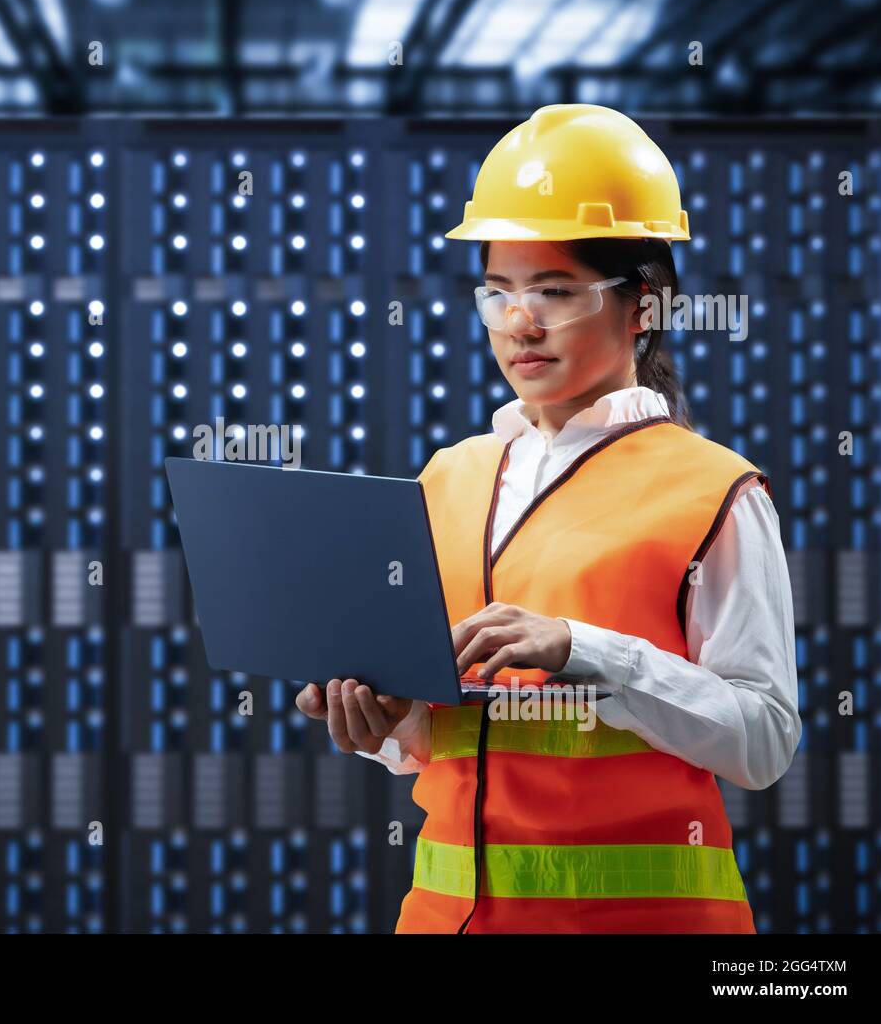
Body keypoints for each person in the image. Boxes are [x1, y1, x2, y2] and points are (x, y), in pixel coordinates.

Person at [295, 104, 800, 934]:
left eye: (555, 292)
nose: (520, 324)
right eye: (498, 295)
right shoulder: (445, 479)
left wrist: (584, 650)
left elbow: (766, 737)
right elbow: (451, 734)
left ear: (644, 304)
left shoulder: (714, 491)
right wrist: (388, 724)